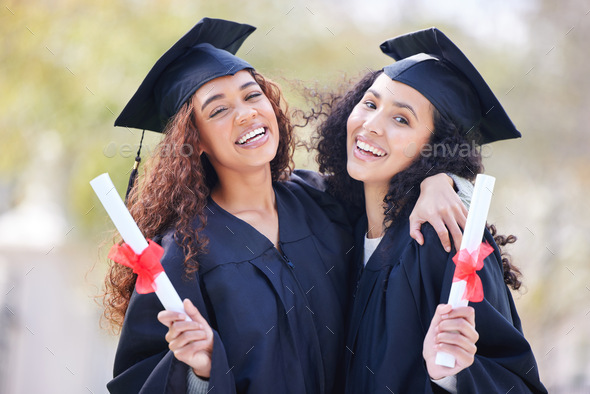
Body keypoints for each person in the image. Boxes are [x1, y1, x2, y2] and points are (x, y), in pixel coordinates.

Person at [102, 19, 470, 394]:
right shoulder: (183, 254)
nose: (246, 114)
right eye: (218, 111)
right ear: (195, 140)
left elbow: (390, 195)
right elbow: (142, 380)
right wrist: (200, 374)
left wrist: (441, 181)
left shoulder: (324, 202)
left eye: (251, 95)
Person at [314, 28, 547, 393]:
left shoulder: (447, 237)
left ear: (434, 148)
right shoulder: (343, 226)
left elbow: (513, 382)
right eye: (371, 104)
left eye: (402, 119)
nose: (371, 126)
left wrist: (451, 375)